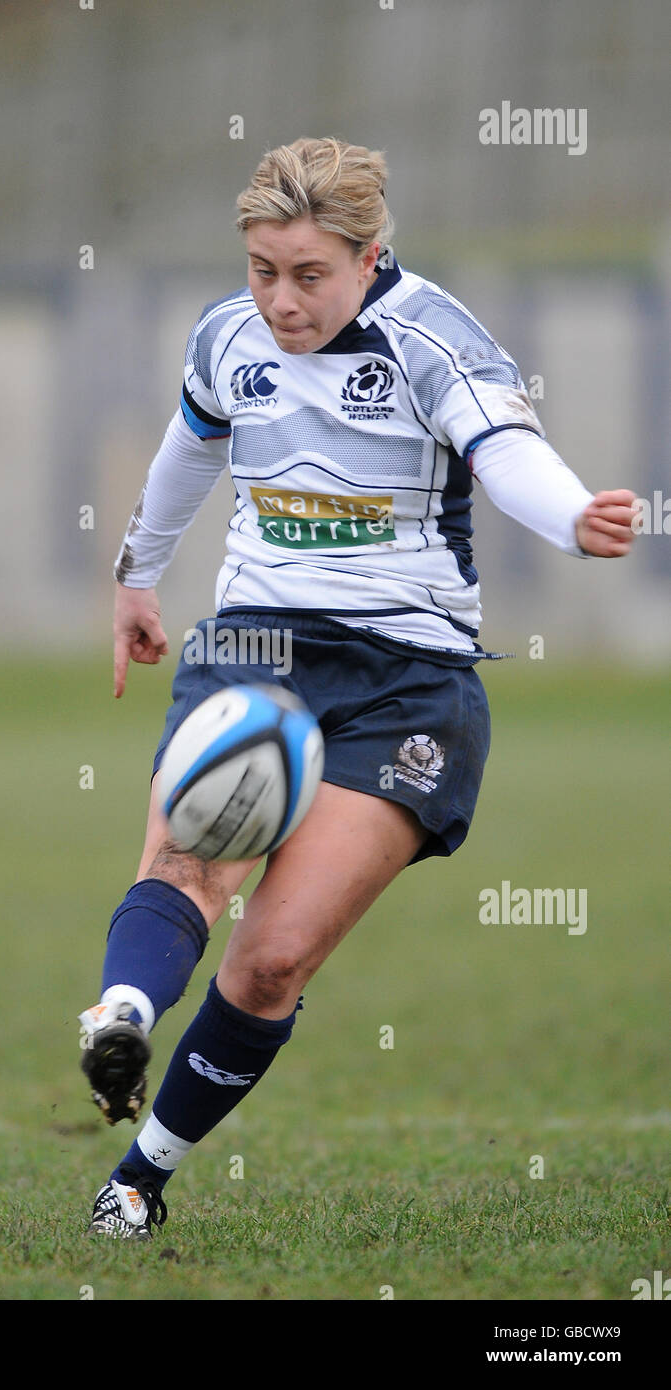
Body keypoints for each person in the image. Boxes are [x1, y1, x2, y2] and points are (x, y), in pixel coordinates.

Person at [78, 137, 637, 1240]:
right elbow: (189, 446)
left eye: (307, 275)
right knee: (190, 862)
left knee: (274, 954)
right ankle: (122, 1016)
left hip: (406, 680)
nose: (279, 300)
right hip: (253, 647)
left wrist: (571, 516)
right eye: (260, 270)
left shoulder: (434, 338)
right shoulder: (226, 333)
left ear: (368, 255)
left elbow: (504, 449)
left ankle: (136, 1178)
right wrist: (135, 577)